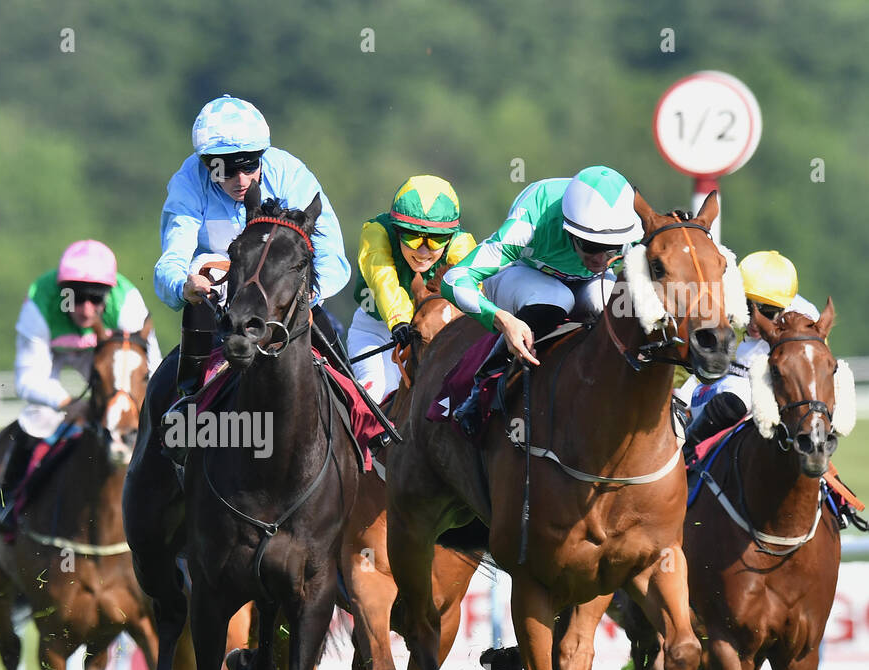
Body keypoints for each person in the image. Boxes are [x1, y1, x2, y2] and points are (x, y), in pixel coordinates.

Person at [155, 95, 352, 397]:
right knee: (201, 268)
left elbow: (330, 252)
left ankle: (357, 406)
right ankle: (190, 395)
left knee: (299, 287)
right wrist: (184, 286)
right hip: (221, 283)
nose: (241, 180)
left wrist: (312, 295)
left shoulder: (290, 173)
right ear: (206, 165)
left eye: (249, 167)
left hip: (278, 283)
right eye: (226, 171)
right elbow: (172, 259)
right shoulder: (188, 182)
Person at [443, 165, 643, 435]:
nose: (601, 259)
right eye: (590, 246)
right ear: (568, 230)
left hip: (587, 286)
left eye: (612, 249)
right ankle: (483, 387)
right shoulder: (534, 217)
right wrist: (503, 320)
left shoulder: (632, 228)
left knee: (609, 302)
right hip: (522, 275)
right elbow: (454, 279)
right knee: (555, 298)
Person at [0, 239, 161, 531]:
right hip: (54, 358)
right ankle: (6, 504)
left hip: (104, 358)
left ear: (108, 294)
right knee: (39, 418)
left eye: (95, 299)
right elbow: (27, 380)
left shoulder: (128, 302)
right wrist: (68, 404)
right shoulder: (40, 302)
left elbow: (150, 369)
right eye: (76, 297)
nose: (85, 309)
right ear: (61, 292)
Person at [349, 175, 477, 401]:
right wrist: (399, 320)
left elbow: (470, 292)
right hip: (376, 332)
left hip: (433, 338)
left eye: (436, 239)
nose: (424, 252)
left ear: (450, 237)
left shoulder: (463, 244)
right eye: (412, 237)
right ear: (396, 230)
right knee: (375, 393)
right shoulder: (376, 232)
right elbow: (383, 279)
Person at [680, 250, 822, 451]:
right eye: (748, 307)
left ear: (786, 307)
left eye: (767, 312)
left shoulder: (806, 319)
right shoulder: (720, 307)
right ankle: (686, 451)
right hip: (716, 390)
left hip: (770, 397)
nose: (756, 321)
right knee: (744, 393)